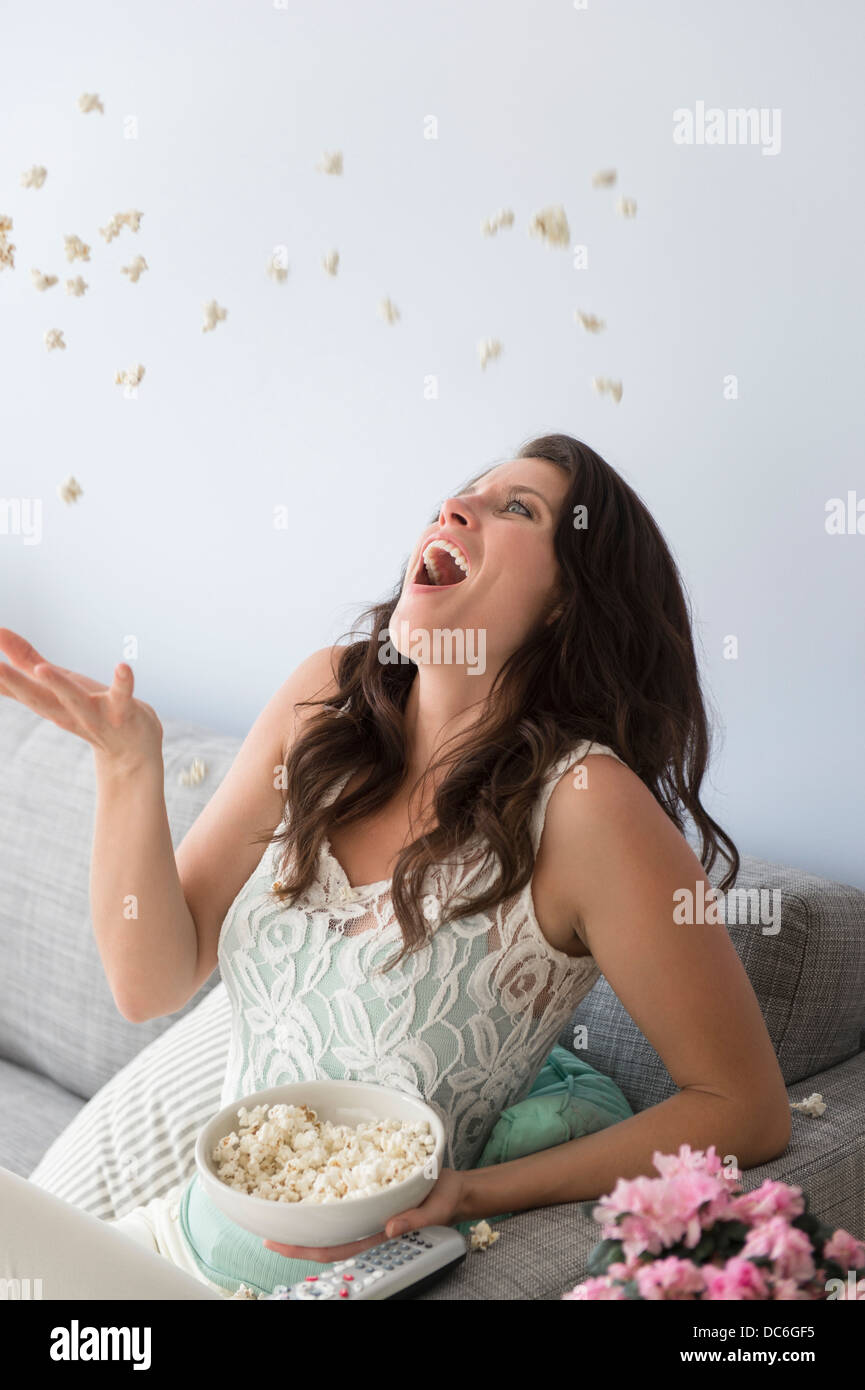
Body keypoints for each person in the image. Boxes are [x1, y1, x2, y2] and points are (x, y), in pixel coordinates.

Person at [0, 433, 792, 1300]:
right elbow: (150, 980)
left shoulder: (587, 807)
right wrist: (127, 766)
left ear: (570, 602)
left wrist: (471, 1192)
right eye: (463, 495)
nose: (455, 510)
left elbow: (741, 1107)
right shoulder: (324, 702)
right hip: (158, 1247)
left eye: (516, 509)